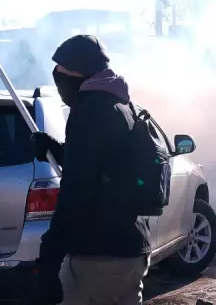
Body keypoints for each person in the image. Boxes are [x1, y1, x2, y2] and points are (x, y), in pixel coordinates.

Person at [32, 35, 151, 304]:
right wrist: (58, 149)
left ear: (79, 71)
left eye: (62, 71)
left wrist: (49, 256)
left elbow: (77, 189)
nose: (57, 76)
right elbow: (104, 167)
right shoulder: (120, 103)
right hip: (131, 247)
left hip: (98, 255)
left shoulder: (89, 110)